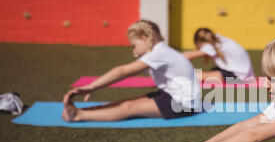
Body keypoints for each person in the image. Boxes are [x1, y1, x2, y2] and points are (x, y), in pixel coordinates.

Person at [62, 20, 202, 122]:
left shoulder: (160, 54)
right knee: (125, 102)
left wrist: (92, 86)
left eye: (134, 46)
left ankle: (78, 115)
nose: (134, 52)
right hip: (174, 96)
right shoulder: (163, 51)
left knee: (129, 107)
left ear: (144, 38)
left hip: (183, 105)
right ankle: (82, 110)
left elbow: (122, 71)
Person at [182, 28, 255, 82]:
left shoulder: (211, 46)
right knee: (204, 73)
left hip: (240, 77)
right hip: (243, 74)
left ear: (199, 43)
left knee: (197, 76)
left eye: (199, 48)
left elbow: (185, 56)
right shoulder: (219, 40)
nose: (199, 50)